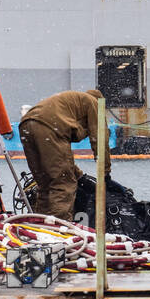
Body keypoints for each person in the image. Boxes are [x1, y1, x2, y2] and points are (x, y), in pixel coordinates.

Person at [20, 88, 108, 221]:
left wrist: (79, 176)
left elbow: (60, 158)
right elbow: (100, 138)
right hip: (50, 127)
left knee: (45, 184)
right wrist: (106, 173)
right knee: (63, 184)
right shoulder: (94, 103)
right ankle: (59, 229)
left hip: (26, 125)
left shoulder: (71, 102)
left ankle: (39, 227)